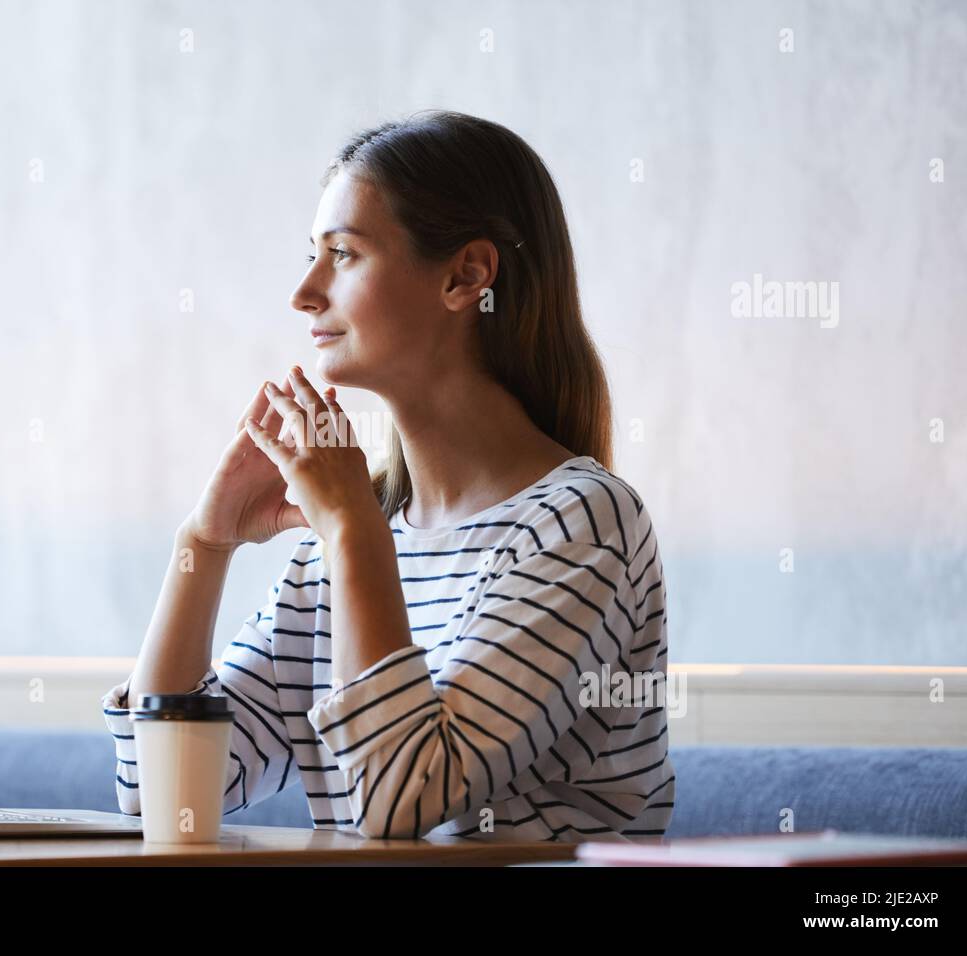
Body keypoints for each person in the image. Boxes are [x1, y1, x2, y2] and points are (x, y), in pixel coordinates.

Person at [103, 109, 674, 841]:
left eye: (342, 254)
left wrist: (352, 531)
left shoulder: (581, 524)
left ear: (467, 277)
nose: (305, 292)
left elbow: (401, 801)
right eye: (312, 254)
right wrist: (204, 545)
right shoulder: (347, 538)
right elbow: (159, 795)